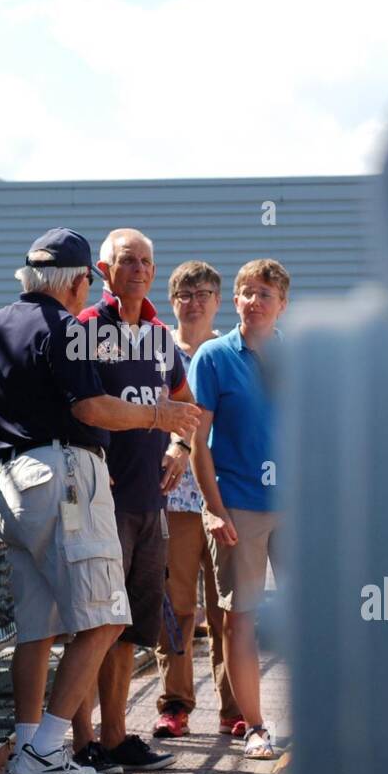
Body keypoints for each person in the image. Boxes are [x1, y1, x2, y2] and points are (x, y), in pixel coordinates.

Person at [0, 227, 200, 774]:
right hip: (68, 477)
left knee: (38, 627)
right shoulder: (66, 328)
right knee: (106, 617)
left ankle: (29, 748)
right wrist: (160, 417)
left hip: (12, 482)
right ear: (81, 281)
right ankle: (48, 748)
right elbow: (91, 410)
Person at [67, 228, 196, 773]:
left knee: (124, 626)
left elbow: (184, 404)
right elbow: (77, 409)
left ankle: (117, 739)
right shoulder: (87, 331)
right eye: (128, 261)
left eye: (147, 261)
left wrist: (181, 445)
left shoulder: (162, 336)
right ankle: (81, 743)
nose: (139, 269)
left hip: (151, 502)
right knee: (90, 621)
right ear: (103, 269)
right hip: (97, 503)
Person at [188, 258, 290, 761]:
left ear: (282, 305)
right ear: (236, 301)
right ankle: (254, 727)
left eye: (265, 294)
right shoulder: (212, 357)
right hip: (238, 509)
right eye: (247, 292)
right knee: (240, 618)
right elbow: (197, 442)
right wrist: (213, 507)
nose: (254, 301)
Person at [152, 260, 243, 740]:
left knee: (229, 607)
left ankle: (235, 709)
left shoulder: (232, 352)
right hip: (172, 502)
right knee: (177, 607)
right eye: (186, 293)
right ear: (174, 300)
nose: (195, 301)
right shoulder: (154, 350)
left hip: (224, 497)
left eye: (204, 292)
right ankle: (176, 705)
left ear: (218, 299)